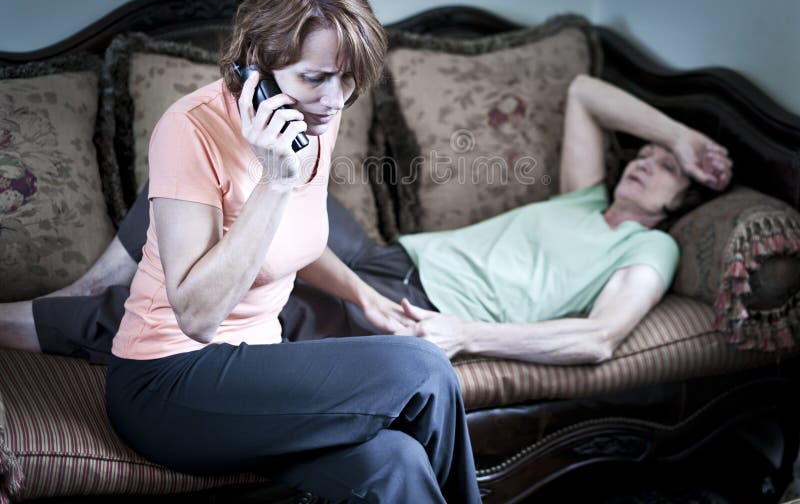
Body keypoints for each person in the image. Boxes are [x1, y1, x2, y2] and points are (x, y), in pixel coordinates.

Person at [6, 0, 482, 504]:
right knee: (423, 367)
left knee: (395, 464)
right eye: (315, 77)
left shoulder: (318, 117)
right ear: (258, 64)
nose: (334, 99)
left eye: (348, 78)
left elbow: (294, 241)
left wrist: (365, 297)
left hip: (255, 371)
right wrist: (275, 181)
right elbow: (197, 317)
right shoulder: (192, 128)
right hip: (168, 383)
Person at [2, 73, 732, 368]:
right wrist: (680, 136)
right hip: (390, 255)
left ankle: (25, 323)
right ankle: (90, 280)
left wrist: (463, 335)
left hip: (420, 307)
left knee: (229, 311)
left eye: (667, 168)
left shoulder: (649, 249)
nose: (647, 161)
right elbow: (584, 93)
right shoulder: (585, 196)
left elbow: (600, 338)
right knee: (225, 168)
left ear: (680, 204)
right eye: (645, 152)